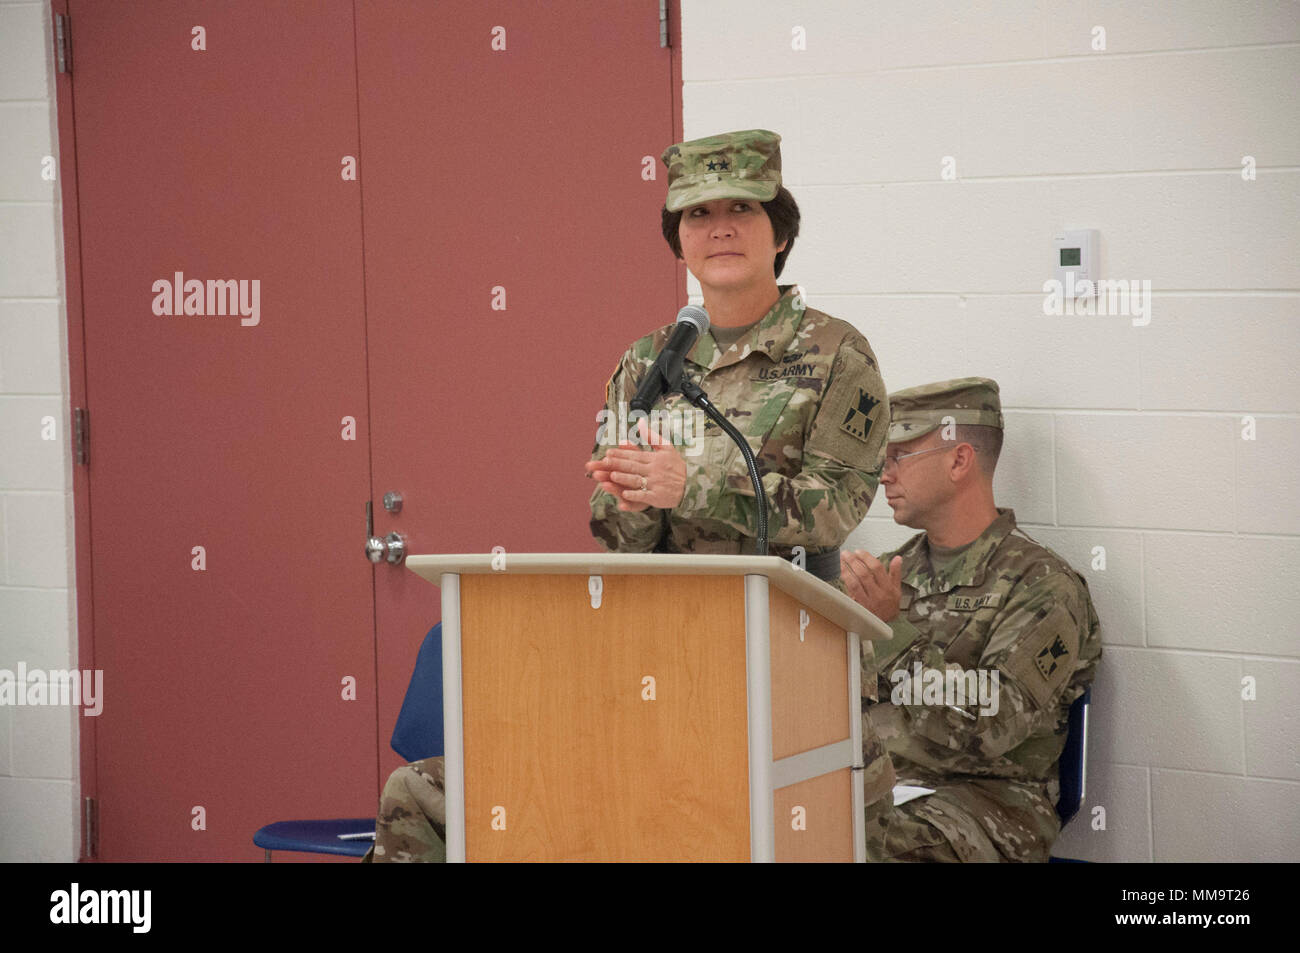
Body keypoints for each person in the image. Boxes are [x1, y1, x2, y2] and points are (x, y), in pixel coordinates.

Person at [367, 129, 893, 862]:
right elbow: (617, 534)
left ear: (781, 233)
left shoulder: (838, 353)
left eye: (743, 208)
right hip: (656, 663)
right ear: (679, 242)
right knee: (454, 796)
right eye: (698, 215)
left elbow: (835, 505)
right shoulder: (648, 362)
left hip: (792, 674)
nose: (721, 228)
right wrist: (634, 505)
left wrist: (694, 484)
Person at [841, 378, 1102, 862]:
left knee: (852, 845)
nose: (884, 475)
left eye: (899, 456)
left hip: (992, 807)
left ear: (959, 461)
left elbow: (993, 727)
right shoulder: (892, 570)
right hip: (887, 786)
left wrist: (889, 630)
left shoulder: (1045, 586)